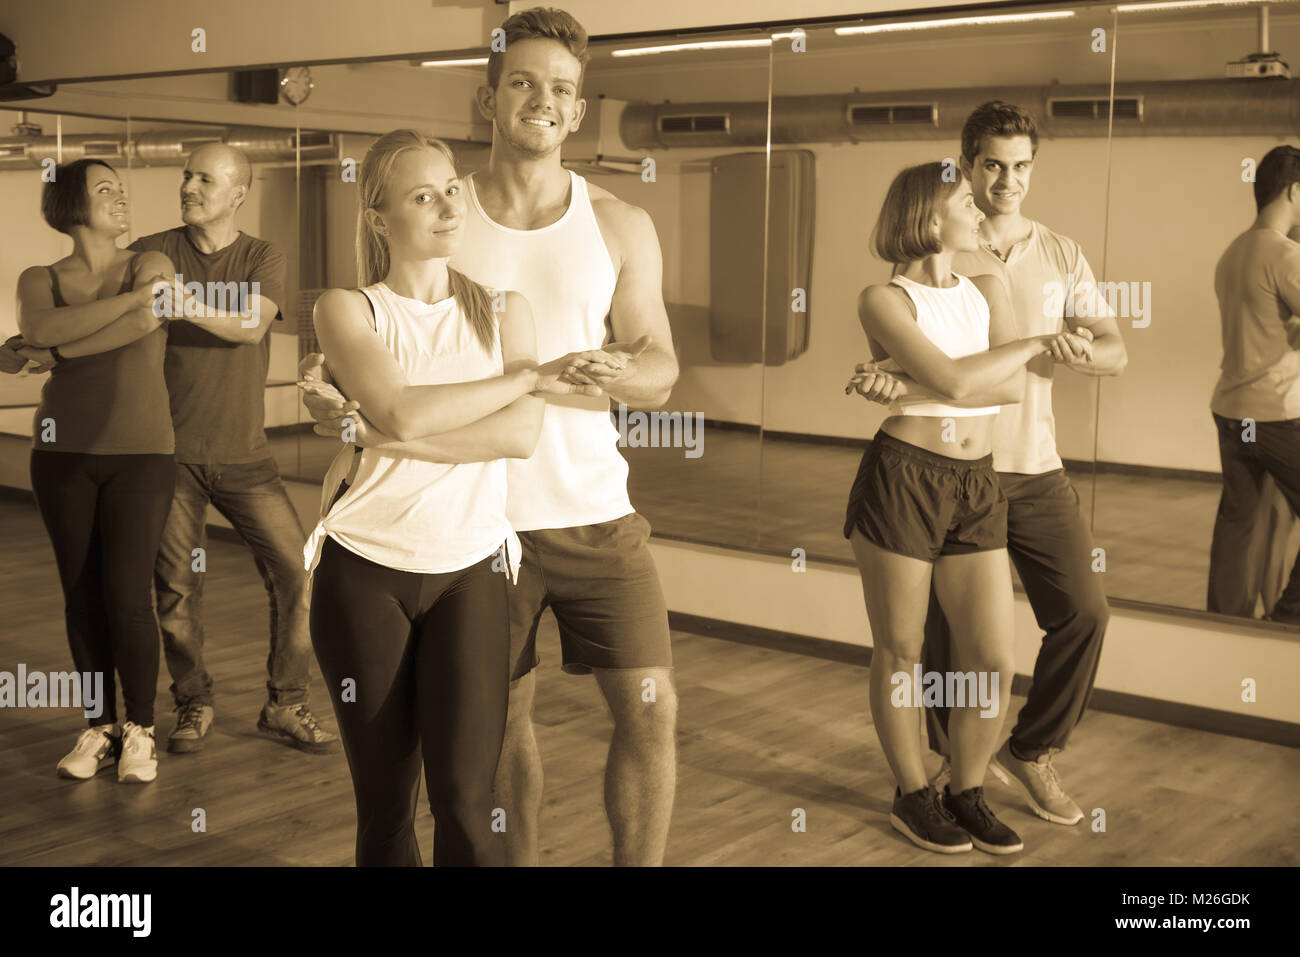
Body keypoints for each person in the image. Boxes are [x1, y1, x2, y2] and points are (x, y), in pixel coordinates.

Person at [301, 7, 681, 866]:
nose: (542, 101)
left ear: (579, 110)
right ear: (490, 97)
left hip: (592, 511)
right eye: (523, 82)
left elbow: (660, 371)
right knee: (499, 745)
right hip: (476, 533)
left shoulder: (621, 223)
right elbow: (383, 336)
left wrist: (597, 370)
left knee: (653, 709)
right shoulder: (444, 212)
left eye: (562, 89)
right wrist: (342, 400)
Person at [303, 128, 597, 866]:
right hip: (363, 570)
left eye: (450, 189)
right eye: (422, 195)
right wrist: (526, 377)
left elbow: (517, 436)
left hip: (471, 569)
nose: (446, 205)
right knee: (385, 807)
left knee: (468, 798)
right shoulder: (348, 311)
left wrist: (374, 432)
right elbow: (405, 407)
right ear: (379, 219)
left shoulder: (505, 310)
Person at [845, 160, 1090, 854]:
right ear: (928, 216)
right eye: (964, 200)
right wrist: (1031, 343)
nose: (978, 210)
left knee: (991, 655)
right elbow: (958, 378)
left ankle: (967, 789)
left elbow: (1007, 392)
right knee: (902, 650)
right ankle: (913, 792)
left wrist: (910, 375)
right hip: (904, 477)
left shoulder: (985, 287)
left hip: (977, 480)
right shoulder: (882, 299)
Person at [913, 102, 1125, 826]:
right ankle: (951, 768)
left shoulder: (1062, 252)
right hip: (954, 467)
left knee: (1084, 613)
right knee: (952, 634)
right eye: (994, 164)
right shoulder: (940, 246)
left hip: (1036, 469)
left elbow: (1115, 350)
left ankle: (1029, 749)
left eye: (1022, 165)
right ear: (968, 164)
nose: (1008, 179)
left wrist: (1076, 350)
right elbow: (915, 350)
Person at [127, 143, 338, 755]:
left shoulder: (260, 253)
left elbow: (250, 326)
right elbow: (128, 319)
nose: (189, 186)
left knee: (296, 575)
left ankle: (286, 704)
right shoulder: (153, 251)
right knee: (175, 591)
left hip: (247, 457)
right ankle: (193, 703)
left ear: (238, 194)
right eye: (186, 175)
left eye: (204, 178)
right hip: (169, 457)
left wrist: (184, 304)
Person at [16, 159, 179, 784]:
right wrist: (49, 337)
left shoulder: (148, 266)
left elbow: (143, 320)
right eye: (105, 189)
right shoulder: (41, 276)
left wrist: (52, 353)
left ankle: (140, 727)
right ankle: (99, 726)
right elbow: (38, 324)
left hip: (142, 454)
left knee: (126, 594)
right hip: (60, 455)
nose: (120, 198)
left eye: (121, 189)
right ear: (70, 206)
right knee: (82, 595)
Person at [1208, 145, 1300, 625]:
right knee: (1245, 519)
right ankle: (1288, 617)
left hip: (1231, 410)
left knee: (1238, 523)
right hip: (1277, 415)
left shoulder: (1235, 251)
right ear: (1294, 190)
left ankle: (1224, 624)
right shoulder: (1285, 255)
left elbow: (1266, 323)